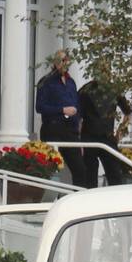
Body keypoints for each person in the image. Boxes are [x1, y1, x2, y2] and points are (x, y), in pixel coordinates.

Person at [34, 50, 87, 188]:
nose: (64, 63)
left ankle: (78, 201)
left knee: (80, 169)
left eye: (66, 60)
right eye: (61, 60)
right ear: (55, 62)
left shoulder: (71, 82)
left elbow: (78, 108)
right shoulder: (46, 82)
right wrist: (62, 110)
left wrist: (79, 134)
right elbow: (39, 107)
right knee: (51, 168)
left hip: (71, 131)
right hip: (53, 129)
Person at [78, 77, 132, 188]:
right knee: (91, 178)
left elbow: (128, 113)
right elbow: (78, 118)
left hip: (103, 137)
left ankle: (116, 202)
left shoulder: (113, 90)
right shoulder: (86, 90)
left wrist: (119, 133)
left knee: (114, 177)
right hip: (91, 138)